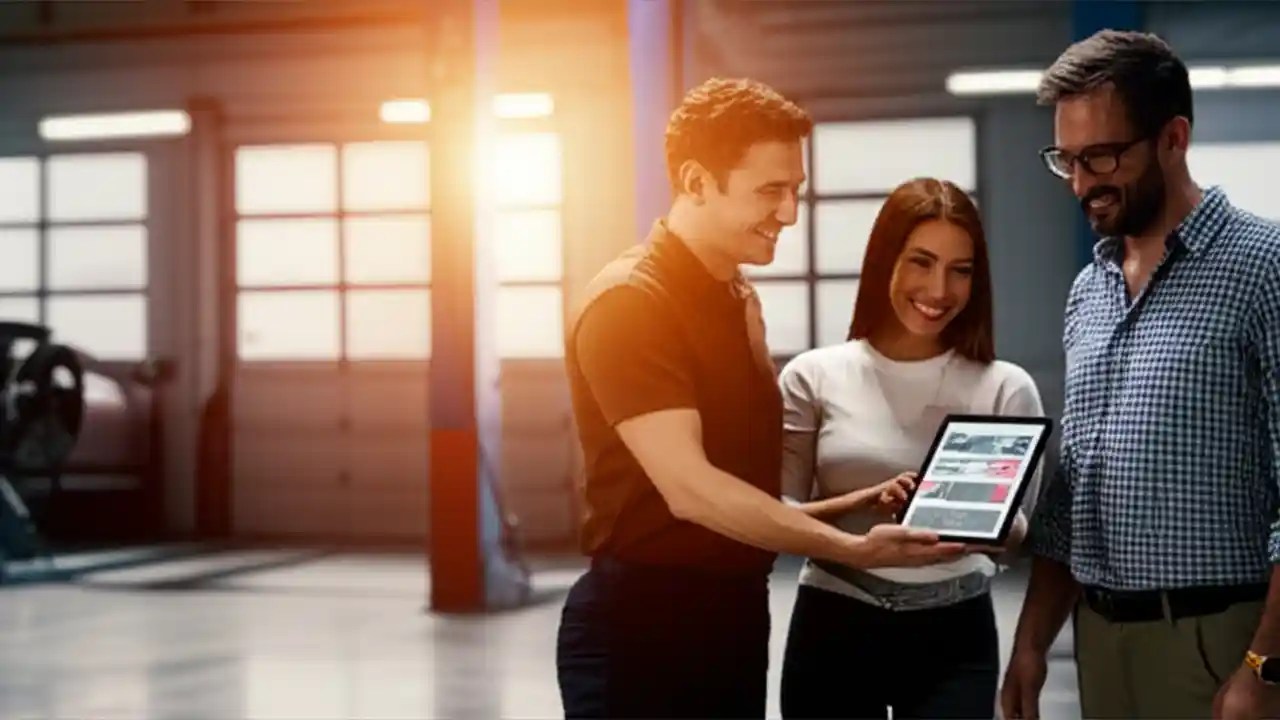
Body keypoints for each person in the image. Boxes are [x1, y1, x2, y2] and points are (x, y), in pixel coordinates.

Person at [555, 77, 971, 719]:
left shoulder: (737, 298)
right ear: (696, 182)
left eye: (795, 190)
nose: (789, 213)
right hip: (641, 629)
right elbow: (691, 491)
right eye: (769, 191)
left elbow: (737, 488)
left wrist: (843, 507)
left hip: (731, 620)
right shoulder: (631, 305)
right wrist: (852, 550)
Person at [1001, 29, 1280, 720]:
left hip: (1217, 642)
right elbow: (1076, 493)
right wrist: (1033, 641)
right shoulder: (1088, 291)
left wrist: (1264, 666)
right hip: (1099, 641)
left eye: (1100, 156)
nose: (1080, 182)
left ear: (1173, 138)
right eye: (1065, 159)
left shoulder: (1263, 269)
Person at [776, 177, 1046, 719]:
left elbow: (1018, 528)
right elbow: (777, 516)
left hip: (955, 631)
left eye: (960, 270)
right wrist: (862, 503)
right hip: (835, 619)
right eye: (920, 262)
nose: (938, 290)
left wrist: (968, 518)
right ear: (884, 262)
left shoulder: (1005, 387)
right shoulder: (814, 375)